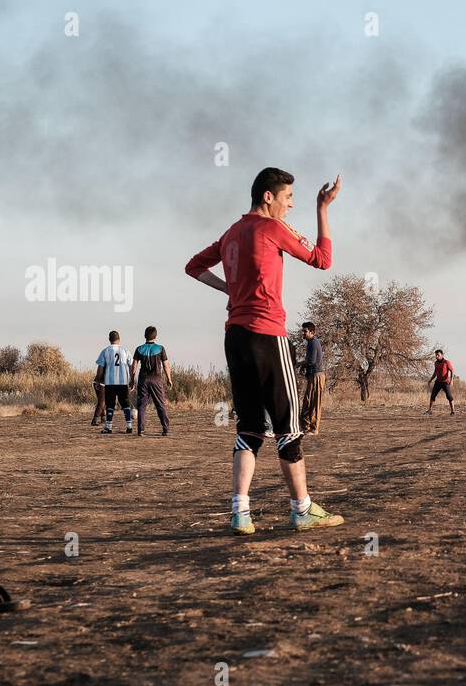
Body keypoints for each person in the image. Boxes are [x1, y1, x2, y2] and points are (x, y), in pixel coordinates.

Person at [185, 166, 344, 534]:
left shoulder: (232, 232)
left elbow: (193, 267)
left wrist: (229, 290)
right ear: (268, 197)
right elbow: (323, 259)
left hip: (235, 336)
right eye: (288, 198)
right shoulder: (271, 228)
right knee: (289, 426)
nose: (291, 206)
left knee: (251, 428)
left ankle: (240, 513)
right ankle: (301, 508)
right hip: (267, 334)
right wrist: (323, 209)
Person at [132, 326, 173, 436]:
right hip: (156, 379)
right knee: (160, 404)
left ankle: (141, 430)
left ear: (145, 336)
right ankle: (166, 429)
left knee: (141, 405)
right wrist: (169, 378)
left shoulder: (139, 349)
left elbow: (134, 366)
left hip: (143, 379)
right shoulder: (160, 348)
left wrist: (132, 379)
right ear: (155, 336)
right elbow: (166, 365)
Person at [95, 330, 134, 433]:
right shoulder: (125, 350)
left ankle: (109, 427)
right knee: (125, 404)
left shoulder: (105, 351)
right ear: (119, 339)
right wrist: (132, 380)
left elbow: (100, 368)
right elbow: (131, 366)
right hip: (123, 382)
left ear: (109, 339)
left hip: (110, 382)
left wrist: (98, 380)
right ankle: (129, 426)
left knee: (110, 404)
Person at [298, 321, 325, 434]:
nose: (303, 334)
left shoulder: (314, 343)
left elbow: (311, 361)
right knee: (308, 402)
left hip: (317, 376)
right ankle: (306, 427)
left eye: (305, 331)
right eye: (303, 331)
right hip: (313, 375)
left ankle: (314, 428)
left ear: (312, 332)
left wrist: (300, 364)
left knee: (314, 402)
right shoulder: (310, 343)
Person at [426, 349, 455, 415]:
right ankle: (430, 410)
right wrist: (431, 379)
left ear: (442, 355)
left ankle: (453, 411)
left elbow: (452, 371)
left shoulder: (446, 362)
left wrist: (451, 380)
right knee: (433, 395)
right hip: (438, 382)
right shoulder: (436, 363)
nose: (436, 356)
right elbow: (435, 372)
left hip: (445, 382)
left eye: (438, 355)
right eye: (436, 355)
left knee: (449, 396)